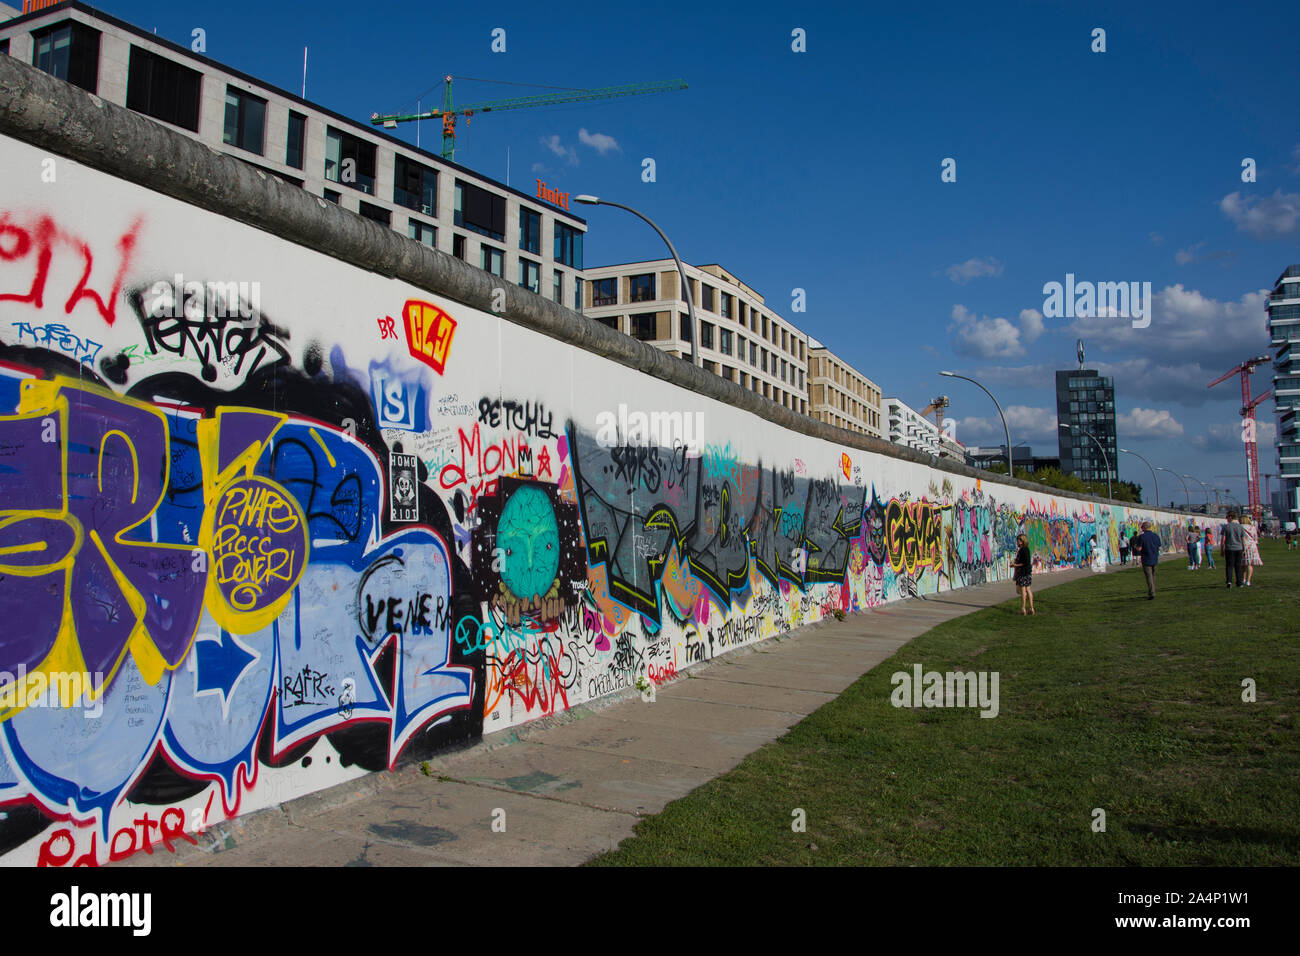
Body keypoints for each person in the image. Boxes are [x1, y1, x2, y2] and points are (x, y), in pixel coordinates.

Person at [1136, 520, 1163, 600]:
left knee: (1149, 576)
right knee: (1153, 575)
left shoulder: (1142, 537)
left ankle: (1152, 593)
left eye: (1142, 527)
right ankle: (1153, 590)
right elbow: (1159, 546)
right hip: (1154, 558)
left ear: (1144, 528)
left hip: (1146, 558)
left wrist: (1135, 547)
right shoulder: (1155, 536)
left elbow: (1139, 548)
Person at [1221, 511, 1245, 588]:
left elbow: (1223, 540)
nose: (1226, 519)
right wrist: (1243, 548)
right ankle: (1239, 582)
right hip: (1239, 548)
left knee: (1229, 566)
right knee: (1238, 566)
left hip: (1229, 548)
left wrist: (1222, 549)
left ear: (1230, 517)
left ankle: (1229, 581)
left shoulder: (1226, 527)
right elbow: (1243, 539)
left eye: (1227, 517)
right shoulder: (1240, 527)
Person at [1013, 533, 1034, 615]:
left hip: (1023, 573)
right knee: (1028, 590)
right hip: (1027, 572)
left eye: (1018, 541)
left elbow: (1025, 562)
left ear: (1021, 541)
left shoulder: (1023, 550)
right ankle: (1031, 608)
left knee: (1022, 591)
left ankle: (1023, 609)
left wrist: (1015, 565)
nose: (1017, 542)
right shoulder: (1026, 549)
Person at [1242, 514, 1262, 586]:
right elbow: (1255, 537)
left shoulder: (1240, 527)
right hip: (1251, 545)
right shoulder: (1252, 527)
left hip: (1242, 545)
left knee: (1242, 564)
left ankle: (1243, 579)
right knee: (1249, 564)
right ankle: (1248, 580)